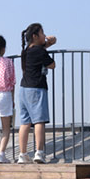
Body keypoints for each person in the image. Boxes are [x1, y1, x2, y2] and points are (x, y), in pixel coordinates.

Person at [14, 23, 57, 164]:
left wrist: (46, 44)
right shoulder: (40, 52)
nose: (44, 35)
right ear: (35, 36)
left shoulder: (26, 51)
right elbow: (52, 65)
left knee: (25, 122)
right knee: (39, 121)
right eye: (42, 33)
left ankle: (23, 154)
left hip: (23, 89)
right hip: (37, 88)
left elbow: (38, 51)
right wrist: (47, 45)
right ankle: (39, 152)